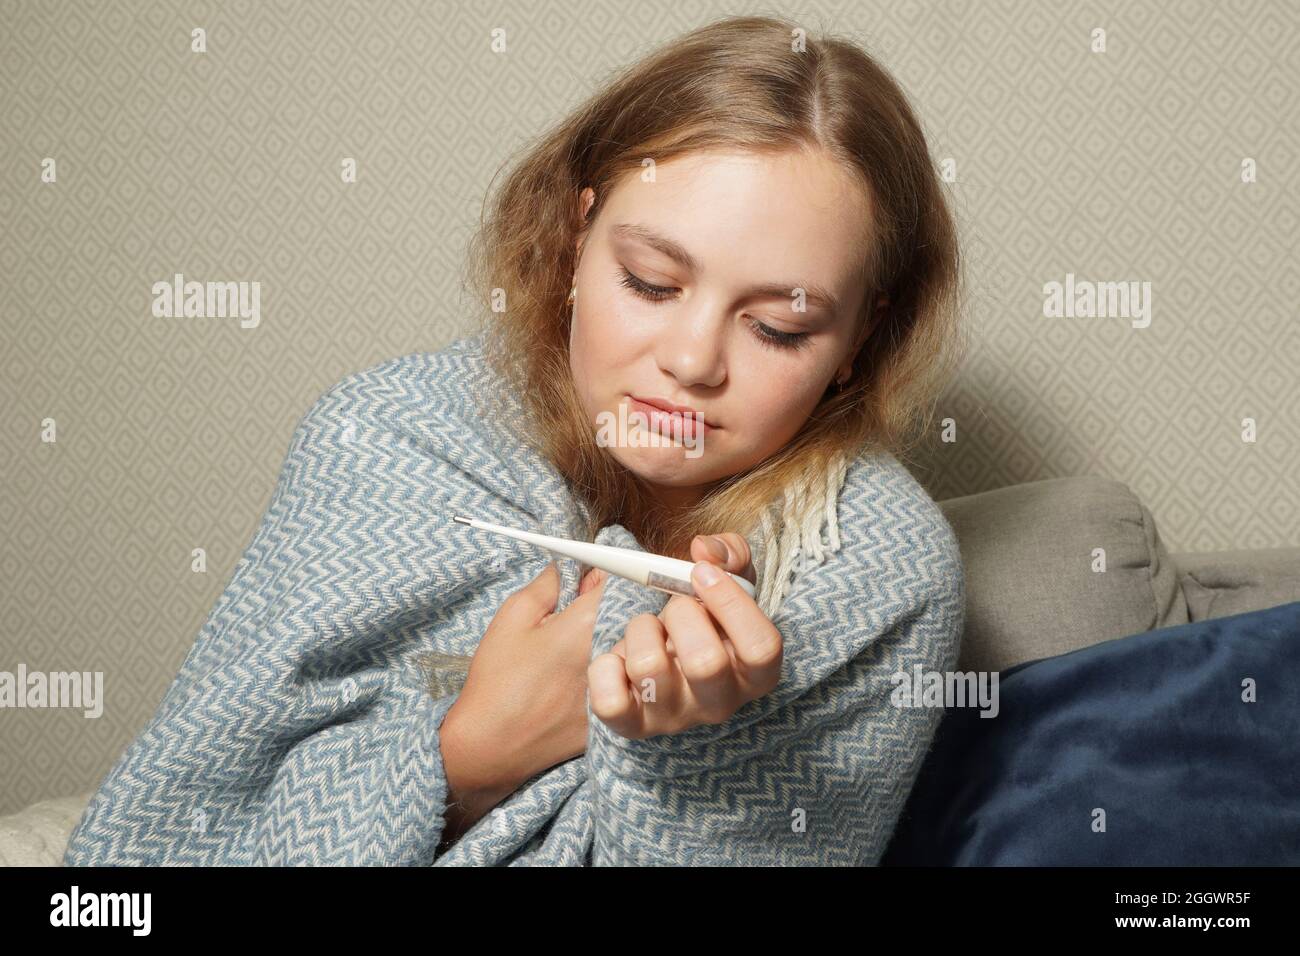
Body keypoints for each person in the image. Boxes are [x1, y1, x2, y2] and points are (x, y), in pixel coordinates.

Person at [64, 14, 968, 867]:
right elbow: (137, 864)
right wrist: (469, 754)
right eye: (652, 283)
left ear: (857, 342)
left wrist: (695, 761)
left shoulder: (881, 567)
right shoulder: (387, 436)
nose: (692, 362)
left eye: (777, 326)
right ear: (577, 242)